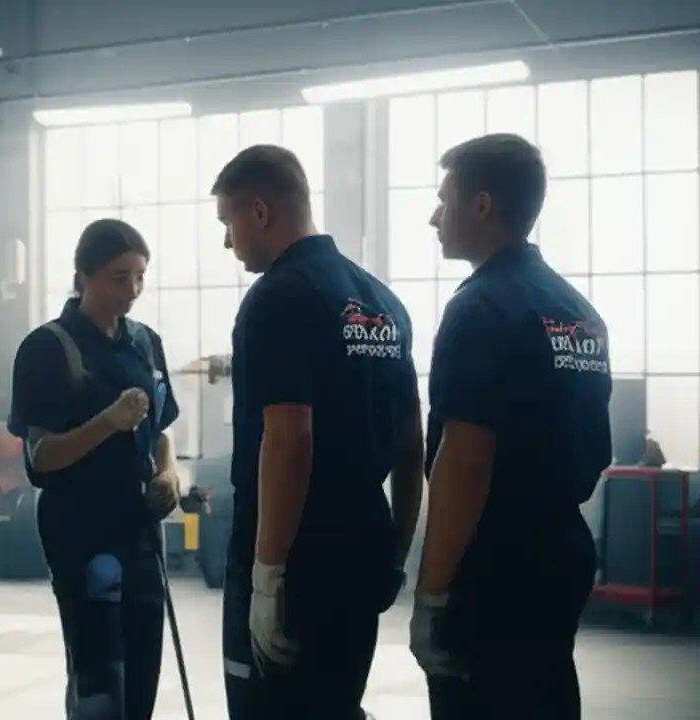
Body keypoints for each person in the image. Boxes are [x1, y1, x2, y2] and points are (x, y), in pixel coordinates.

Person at [212, 146, 424, 720]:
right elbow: (412, 446)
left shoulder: (277, 298)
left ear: (259, 212)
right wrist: (396, 552)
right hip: (363, 547)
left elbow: (289, 441)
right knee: (335, 704)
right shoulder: (382, 302)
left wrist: (267, 576)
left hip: (295, 554)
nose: (229, 243)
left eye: (228, 223)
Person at [411, 134, 611, 720]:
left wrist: (432, 592)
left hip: (495, 566)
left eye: (443, 200)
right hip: (560, 552)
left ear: (481, 204)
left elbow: (465, 463)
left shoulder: (481, 307)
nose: (433, 217)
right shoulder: (576, 311)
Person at [8, 218, 181, 720]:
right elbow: (40, 458)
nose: (132, 290)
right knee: (100, 677)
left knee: (144, 668)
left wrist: (167, 474)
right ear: (83, 275)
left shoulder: (145, 343)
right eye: (117, 277)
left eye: (139, 276)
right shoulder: (49, 349)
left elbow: (162, 430)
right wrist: (107, 422)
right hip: (82, 532)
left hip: (140, 530)